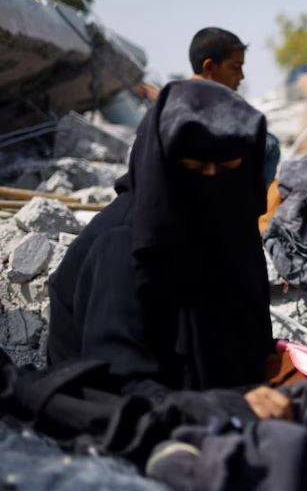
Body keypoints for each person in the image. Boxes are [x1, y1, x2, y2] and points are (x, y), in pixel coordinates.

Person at [47, 80, 280, 408]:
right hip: (127, 430)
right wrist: (235, 406)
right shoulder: (123, 243)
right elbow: (117, 385)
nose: (213, 182)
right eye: (195, 169)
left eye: (228, 168)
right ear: (162, 163)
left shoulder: (230, 229)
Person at [189, 26, 280, 209]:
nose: (241, 76)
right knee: (269, 144)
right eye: (235, 67)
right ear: (209, 67)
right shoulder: (212, 111)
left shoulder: (167, 103)